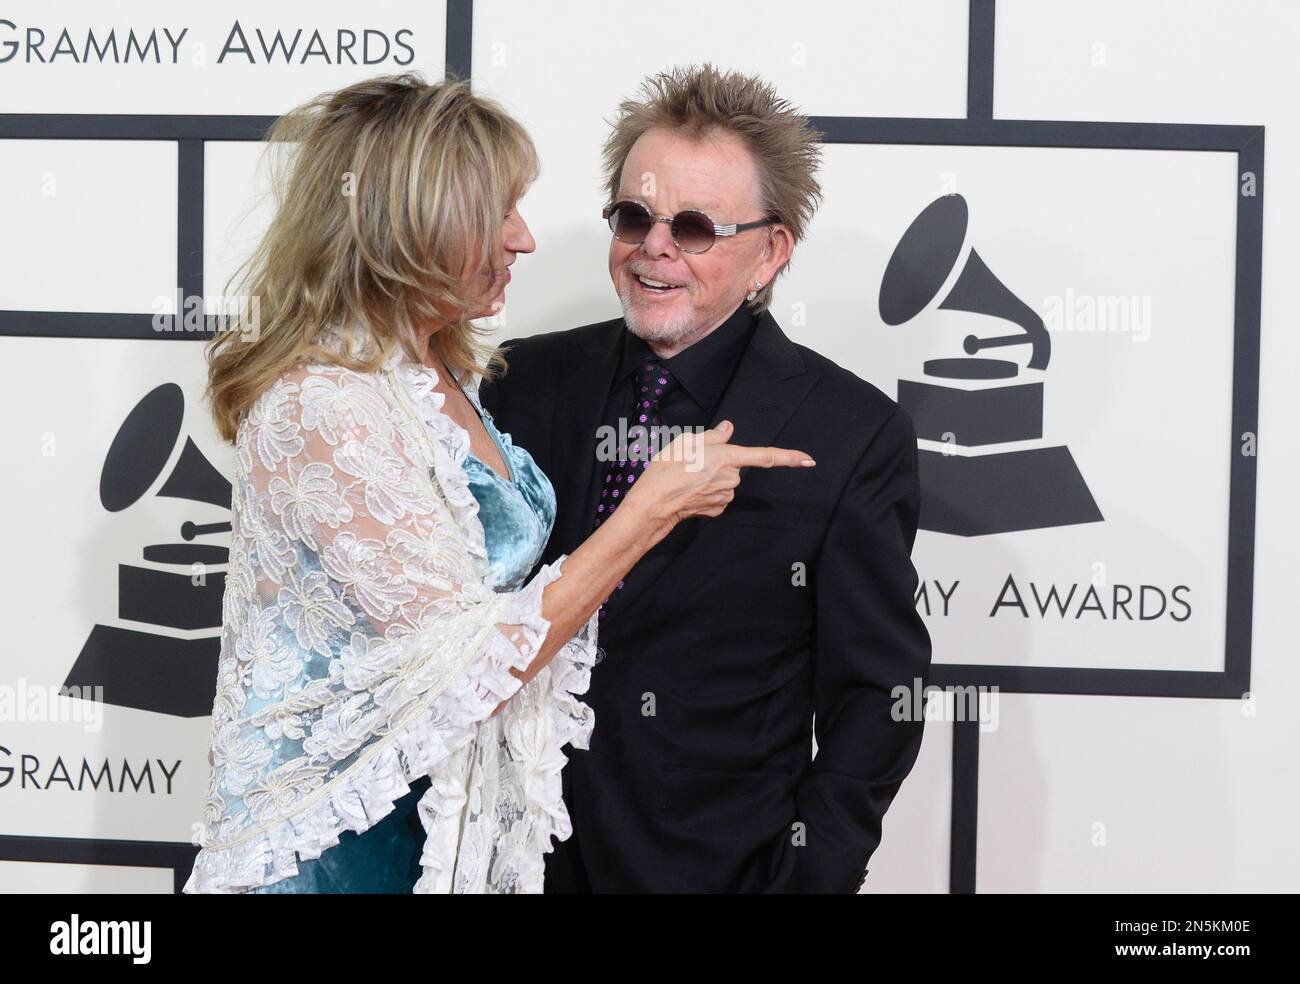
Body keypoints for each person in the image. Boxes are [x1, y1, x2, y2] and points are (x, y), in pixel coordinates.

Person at [182, 72, 815, 894]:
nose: (524, 239)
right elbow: (466, 666)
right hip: (337, 856)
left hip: (446, 837)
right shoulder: (321, 401)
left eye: (694, 227)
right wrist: (647, 512)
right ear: (412, 226)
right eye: (497, 215)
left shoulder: (441, 370)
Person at [479, 64, 933, 893]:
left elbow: (880, 697)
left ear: (770, 253)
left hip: (718, 871)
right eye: (633, 216)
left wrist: (805, 874)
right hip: (509, 864)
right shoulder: (519, 382)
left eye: (694, 227)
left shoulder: (850, 433)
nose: (655, 247)